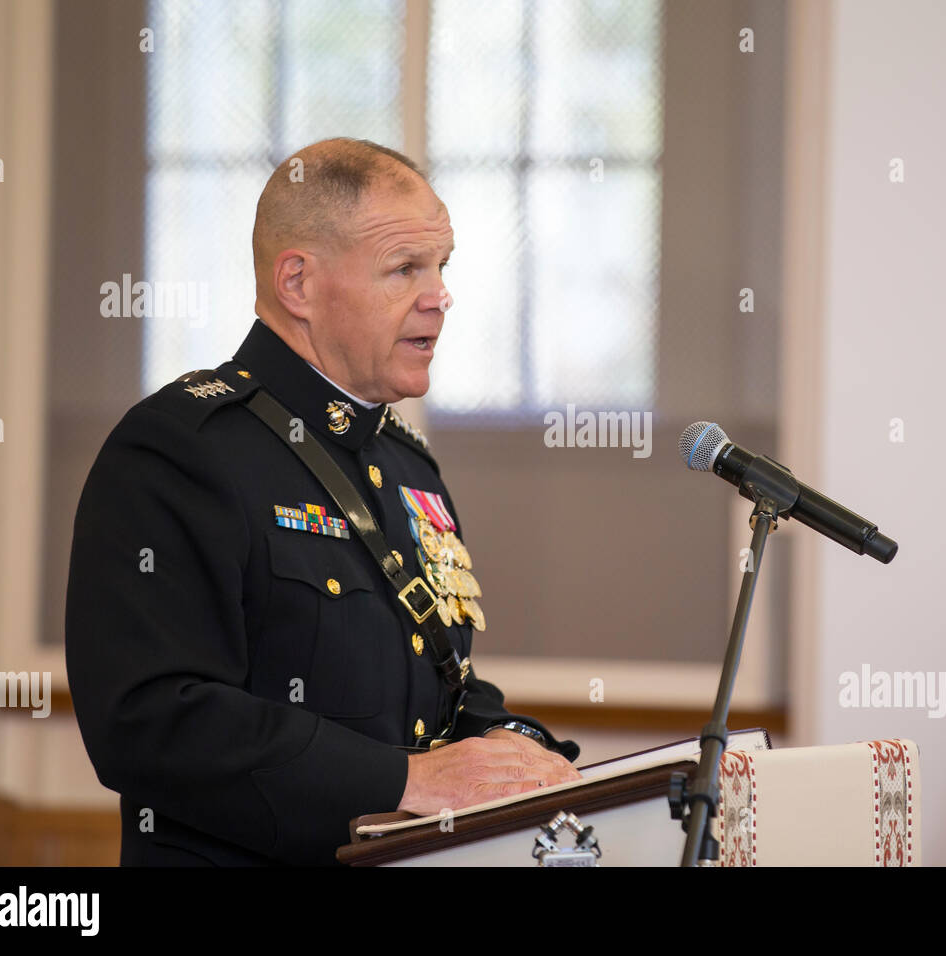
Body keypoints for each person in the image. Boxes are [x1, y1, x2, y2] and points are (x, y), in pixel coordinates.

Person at [65, 138, 582, 866]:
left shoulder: (406, 466)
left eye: (442, 266)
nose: (440, 295)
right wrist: (404, 779)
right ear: (298, 284)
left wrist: (521, 751)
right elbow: (148, 720)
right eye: (405, 268)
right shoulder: (180, 449)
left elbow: (435, 692)